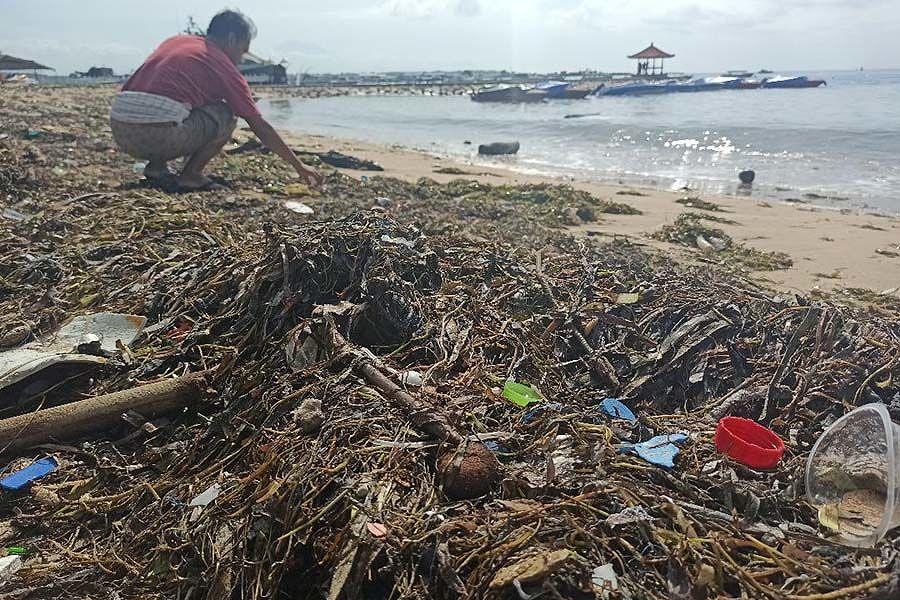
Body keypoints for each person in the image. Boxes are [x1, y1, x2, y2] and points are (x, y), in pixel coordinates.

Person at [110, 9, 321, 190]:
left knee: (180, 107)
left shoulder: (176, 41)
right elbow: (260, 127)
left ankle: (156, 168)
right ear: (231, 39)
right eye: (243, 50)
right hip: (158, 136)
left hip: (120, 130)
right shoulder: (222, 64)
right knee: (226, 114)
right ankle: (191, 175)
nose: (241, 58)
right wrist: (299, 166)